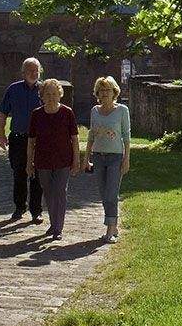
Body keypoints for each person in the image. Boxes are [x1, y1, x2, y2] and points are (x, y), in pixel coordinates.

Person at [27, 78, 80, 240]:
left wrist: (76, 160)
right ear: (42, 96)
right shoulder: (36, 114)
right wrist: (29, 162)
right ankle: (53, 223)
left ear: (60, 95)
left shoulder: (67, 113)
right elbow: (31, 141)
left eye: (54, 94)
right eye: (48, 94)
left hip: (63, 159)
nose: (51, 97)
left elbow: (74, 138)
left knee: (60, 192)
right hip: (43, 160)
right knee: (48, 193)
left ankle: (58, 228)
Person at [83, 76, 131, 243]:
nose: (104, 93)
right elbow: (91, 135)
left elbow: (126, 136)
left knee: (111, 193)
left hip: (115, 157)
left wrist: (126, 159)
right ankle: (113, 224)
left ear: (114, 92)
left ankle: (110, 230)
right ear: (97, 93)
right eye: (101, 90)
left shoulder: (122, 110)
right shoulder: (94, 111)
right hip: (98, 156)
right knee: (104, 194)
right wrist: (86, 158)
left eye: (107, 90)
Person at [0, 57, 44, 223]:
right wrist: (1, 134)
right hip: (18, 138)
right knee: (19, 174)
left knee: (37, 176)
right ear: (23, 72)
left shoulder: (44, 89)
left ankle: (36, 211)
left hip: (39, 140)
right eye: (30, 71)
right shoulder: (13, 89)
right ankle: (19, 207)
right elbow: (3, 113)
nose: (33, 73)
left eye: (36, 71)